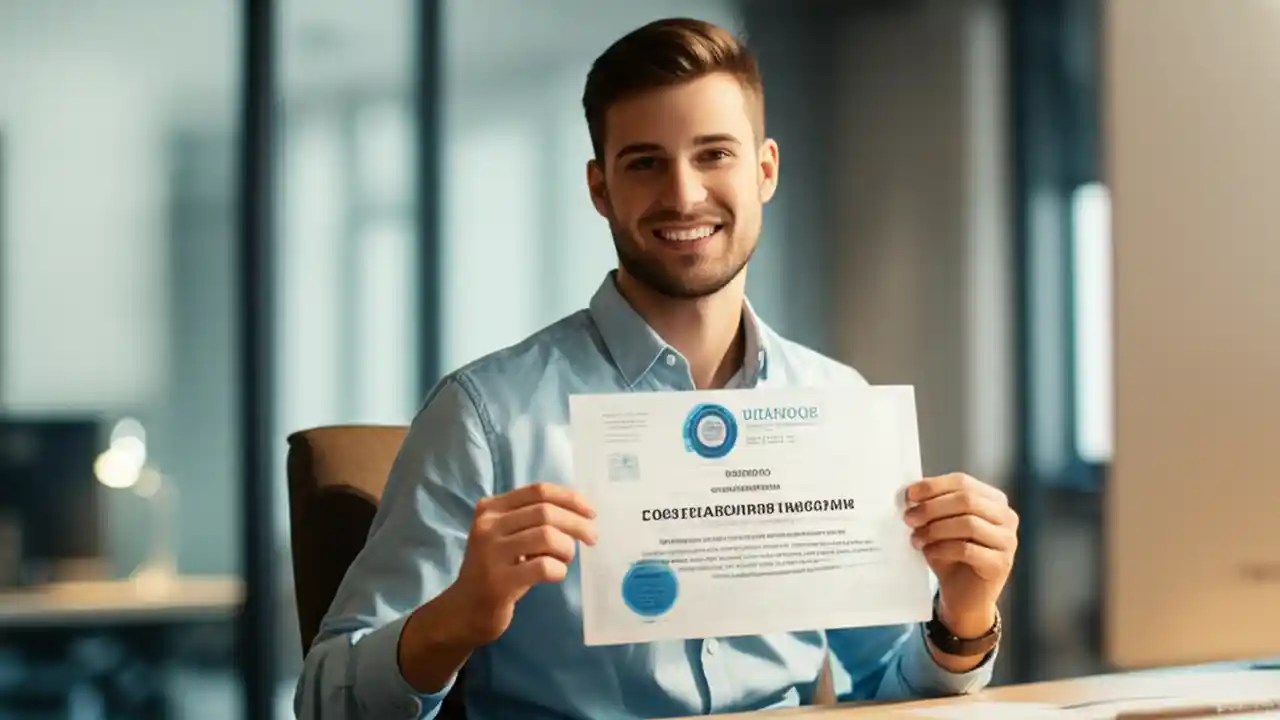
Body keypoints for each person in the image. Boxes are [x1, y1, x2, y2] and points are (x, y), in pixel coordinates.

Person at [295, 16, 1019, 720]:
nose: (683, 195)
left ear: (765, 171)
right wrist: (456, 618)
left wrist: (963, 616)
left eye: (714, 154)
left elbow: (889, 692)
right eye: (645, 163)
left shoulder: (837, 405)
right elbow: (324, 701)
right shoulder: (486, 417)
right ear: (600, 188)